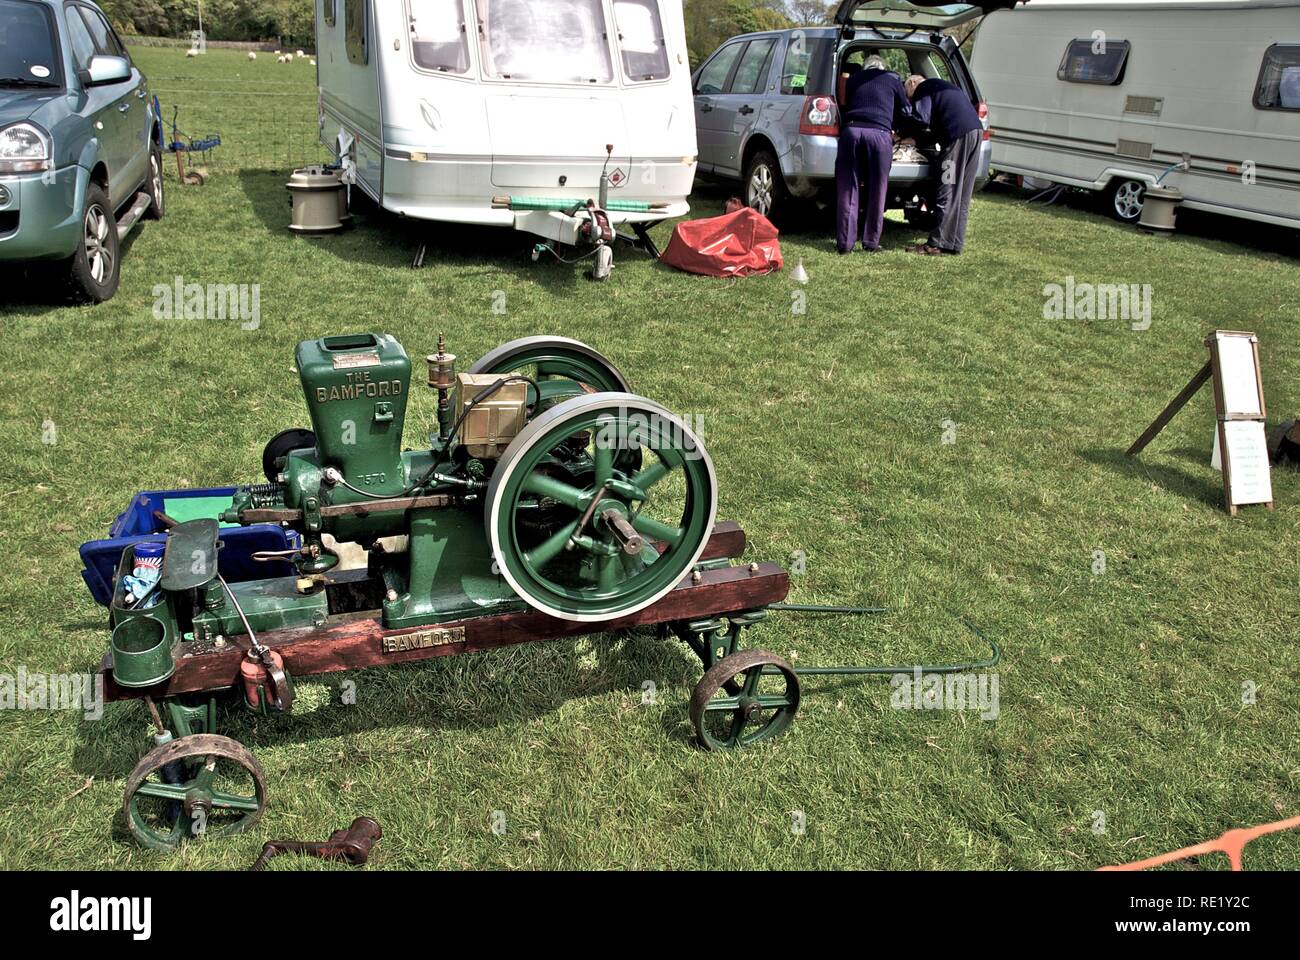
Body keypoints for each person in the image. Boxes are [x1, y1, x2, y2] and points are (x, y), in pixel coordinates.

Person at [835, 55, 912, 254]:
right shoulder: (892, 79)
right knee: (878, 188)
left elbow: (842, 104)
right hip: (879, 134)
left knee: (848, 188)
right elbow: (906, 110)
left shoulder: (853, 79)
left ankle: (845, 244)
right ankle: (870, 242)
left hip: (851, 132)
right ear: (882, 66)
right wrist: (899, 130)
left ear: (865, 67)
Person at [903, 74, 983, 256]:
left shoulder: (924, 88)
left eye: (908, 94)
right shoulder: (942, 88)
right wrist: (916, 139)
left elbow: (921, 118)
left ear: (913, 83)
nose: (909, 99)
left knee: (946, 188)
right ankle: (954, 243)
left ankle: (935, 244)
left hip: (957, 137)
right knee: (962, 192)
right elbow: (935, 127)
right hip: (976, 133)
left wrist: (902, 130)